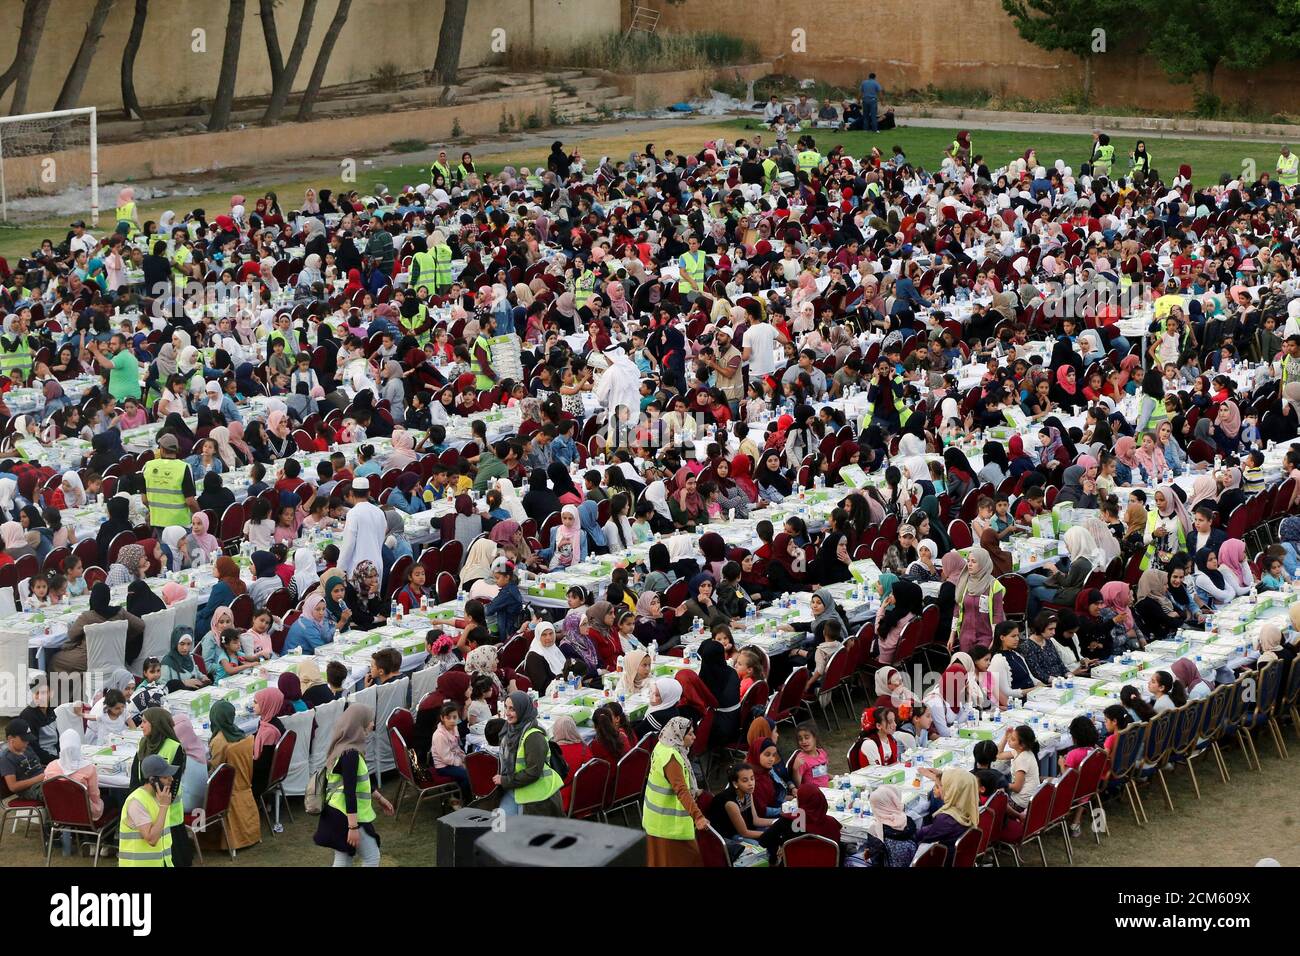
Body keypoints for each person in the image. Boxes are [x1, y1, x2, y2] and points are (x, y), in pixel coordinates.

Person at [314, 704, 396, 866]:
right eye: (369, 720)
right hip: (346, 815)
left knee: (344, 858)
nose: (372, 724)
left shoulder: (342, 748)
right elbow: (349, 791)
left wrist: (380, 799)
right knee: (371, 856)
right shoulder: (351, 754)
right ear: (359, 723)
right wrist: (353, 827)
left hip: (336, 813)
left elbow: (358, 781)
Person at [131, 707, 193, 867]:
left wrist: (159, 804)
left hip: (169, 815)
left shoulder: (175, 747)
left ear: (156, 724)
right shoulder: (143, 744)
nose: (141, 725)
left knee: (176, 859)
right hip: (146, 811)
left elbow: (174, 782)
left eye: (144, 722)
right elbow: (135, 777)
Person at [643, 716, 708, 866]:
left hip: (656, 820)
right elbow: (681, 790)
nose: (694, 737)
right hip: (669, 825)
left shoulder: (663, 746)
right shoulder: (671, 758)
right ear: (678, 735)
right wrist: (698, 817)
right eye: (690, 734)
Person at [493, 690, 564, 816]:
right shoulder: (509, 731)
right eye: (506, 707)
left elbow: (533, 772)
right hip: (514, 789)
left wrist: (504, 780)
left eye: (512, 709)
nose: (507, 713)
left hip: (536, 798)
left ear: (522, 710)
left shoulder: (534, 737)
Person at [118, 754, 178, 867]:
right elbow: (152, 839)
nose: (171, 779)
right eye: (165, 777)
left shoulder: (160, 797)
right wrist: (164, 807)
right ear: (152, 779)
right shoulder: (137, 802)